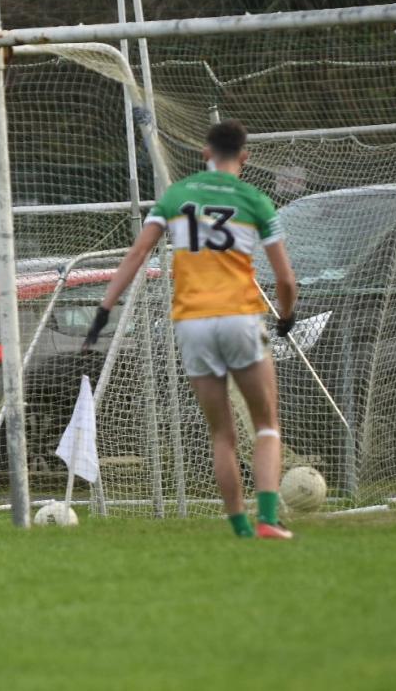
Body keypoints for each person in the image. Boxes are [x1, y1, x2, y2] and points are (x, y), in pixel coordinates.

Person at [83, 119, 299, 540]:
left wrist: (104, 309)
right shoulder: (255, 200)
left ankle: (239, 526)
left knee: (222, 432)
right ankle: (268, 521)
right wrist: (286, 317)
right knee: (267, 425)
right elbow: (286, 280)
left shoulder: (177, 195)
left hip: (192, 323)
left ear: (204, 154)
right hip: (239, 317)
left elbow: (138, 253)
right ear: (245, 157)